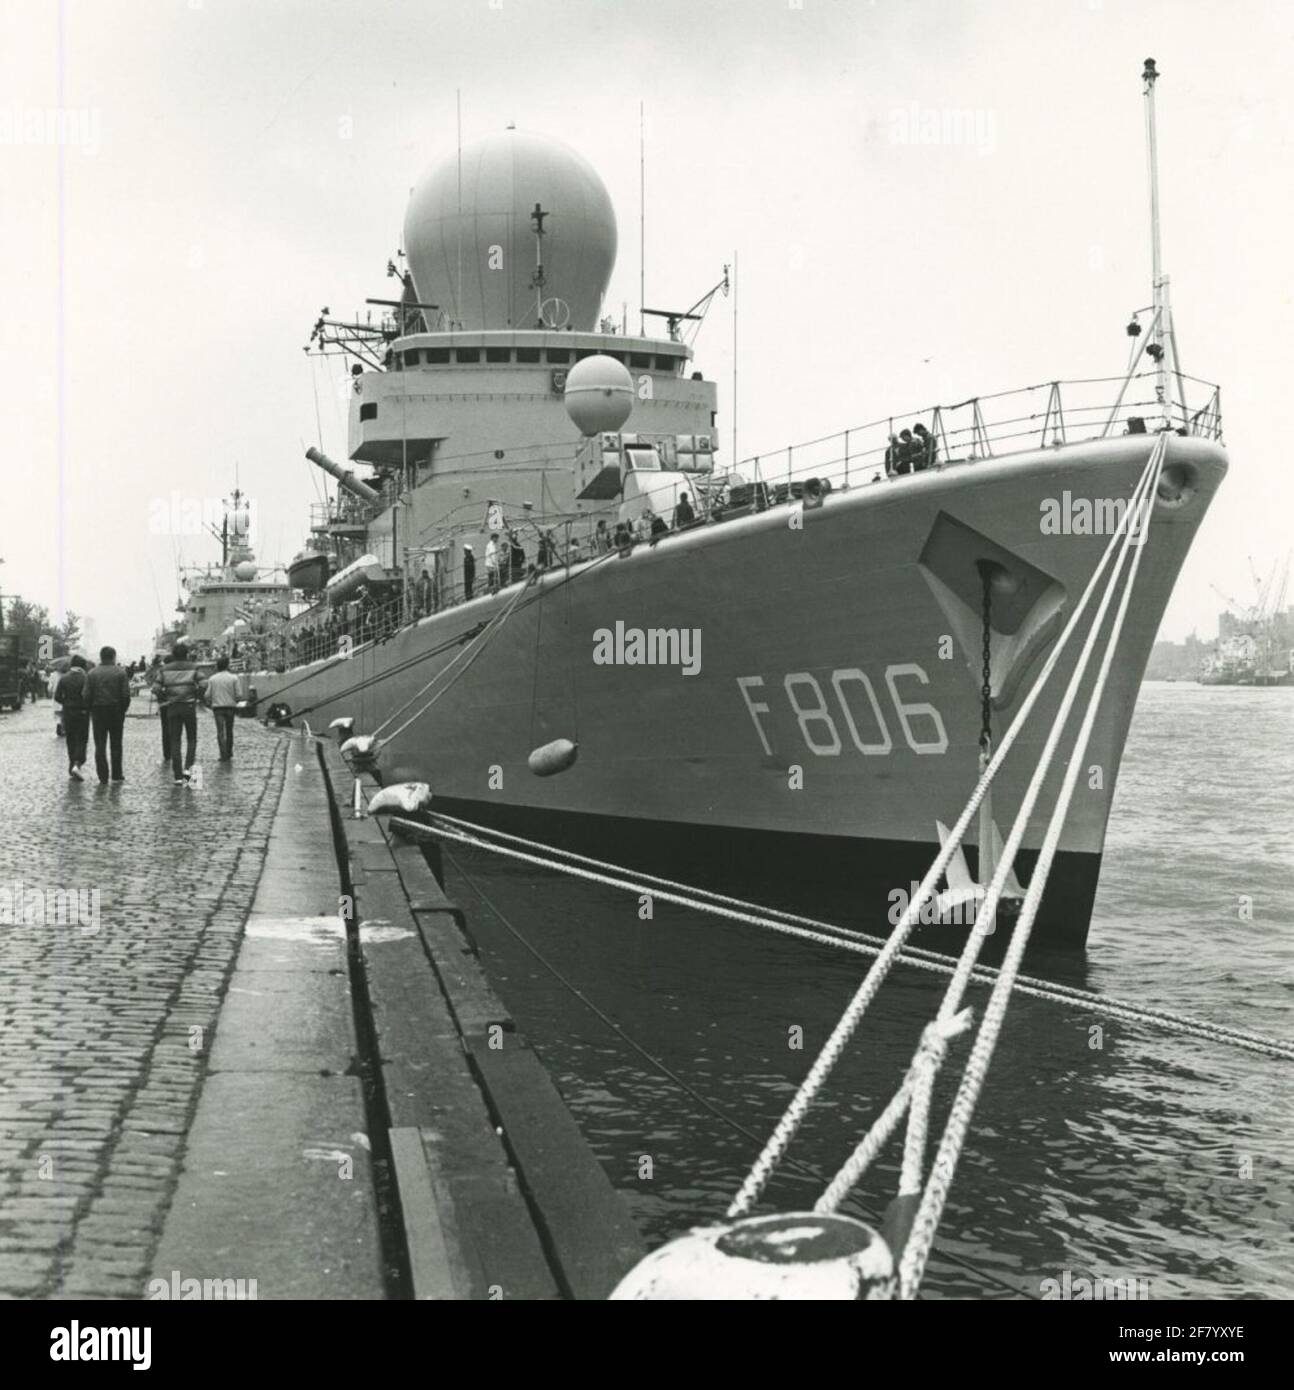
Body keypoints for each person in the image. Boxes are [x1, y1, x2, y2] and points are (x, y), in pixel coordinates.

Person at [154, 641, 207, 786]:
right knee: (191, 740)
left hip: (172, 707)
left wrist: (165, 698)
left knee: (175, 740)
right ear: (187, 654)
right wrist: (196, 695)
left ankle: (177, 776)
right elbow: (204, 683)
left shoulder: (164, 669)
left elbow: (156, 688)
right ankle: (189, 776)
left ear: (173, 654)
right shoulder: (194, 667)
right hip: (189, 706)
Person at [84, 645, 131, 784]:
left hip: (98, 711)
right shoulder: (121, 673)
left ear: (101, 657)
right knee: (116, 744)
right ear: (113, 657)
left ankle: (102, 775)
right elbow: (126, 695)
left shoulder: (92, 673)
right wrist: (123, 710)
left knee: (100, 744)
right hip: (116, 711)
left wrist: (91, 708)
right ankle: (117, 774)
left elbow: (86, 695)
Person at [54, 655, 90, 781]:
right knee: (82, 738)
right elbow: (89, 696)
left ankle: (71, 766)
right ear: (82, 666)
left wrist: (67, 703)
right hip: (82, 712)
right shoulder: (86, 678)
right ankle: (77, 763)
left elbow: (57, 696)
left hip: (68, 712)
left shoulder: (64, 679)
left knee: (70, 739)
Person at [205, 654, 240, 762]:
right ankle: (229, 752)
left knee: (220, 732)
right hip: (230, 707)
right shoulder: (234, 678)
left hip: (218, 708)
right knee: (229, 730)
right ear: (227, 666)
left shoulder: (212, 679)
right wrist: (234, 700)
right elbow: (239, 695)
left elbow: (207, 695)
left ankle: (223, 754)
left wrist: (210, 702)